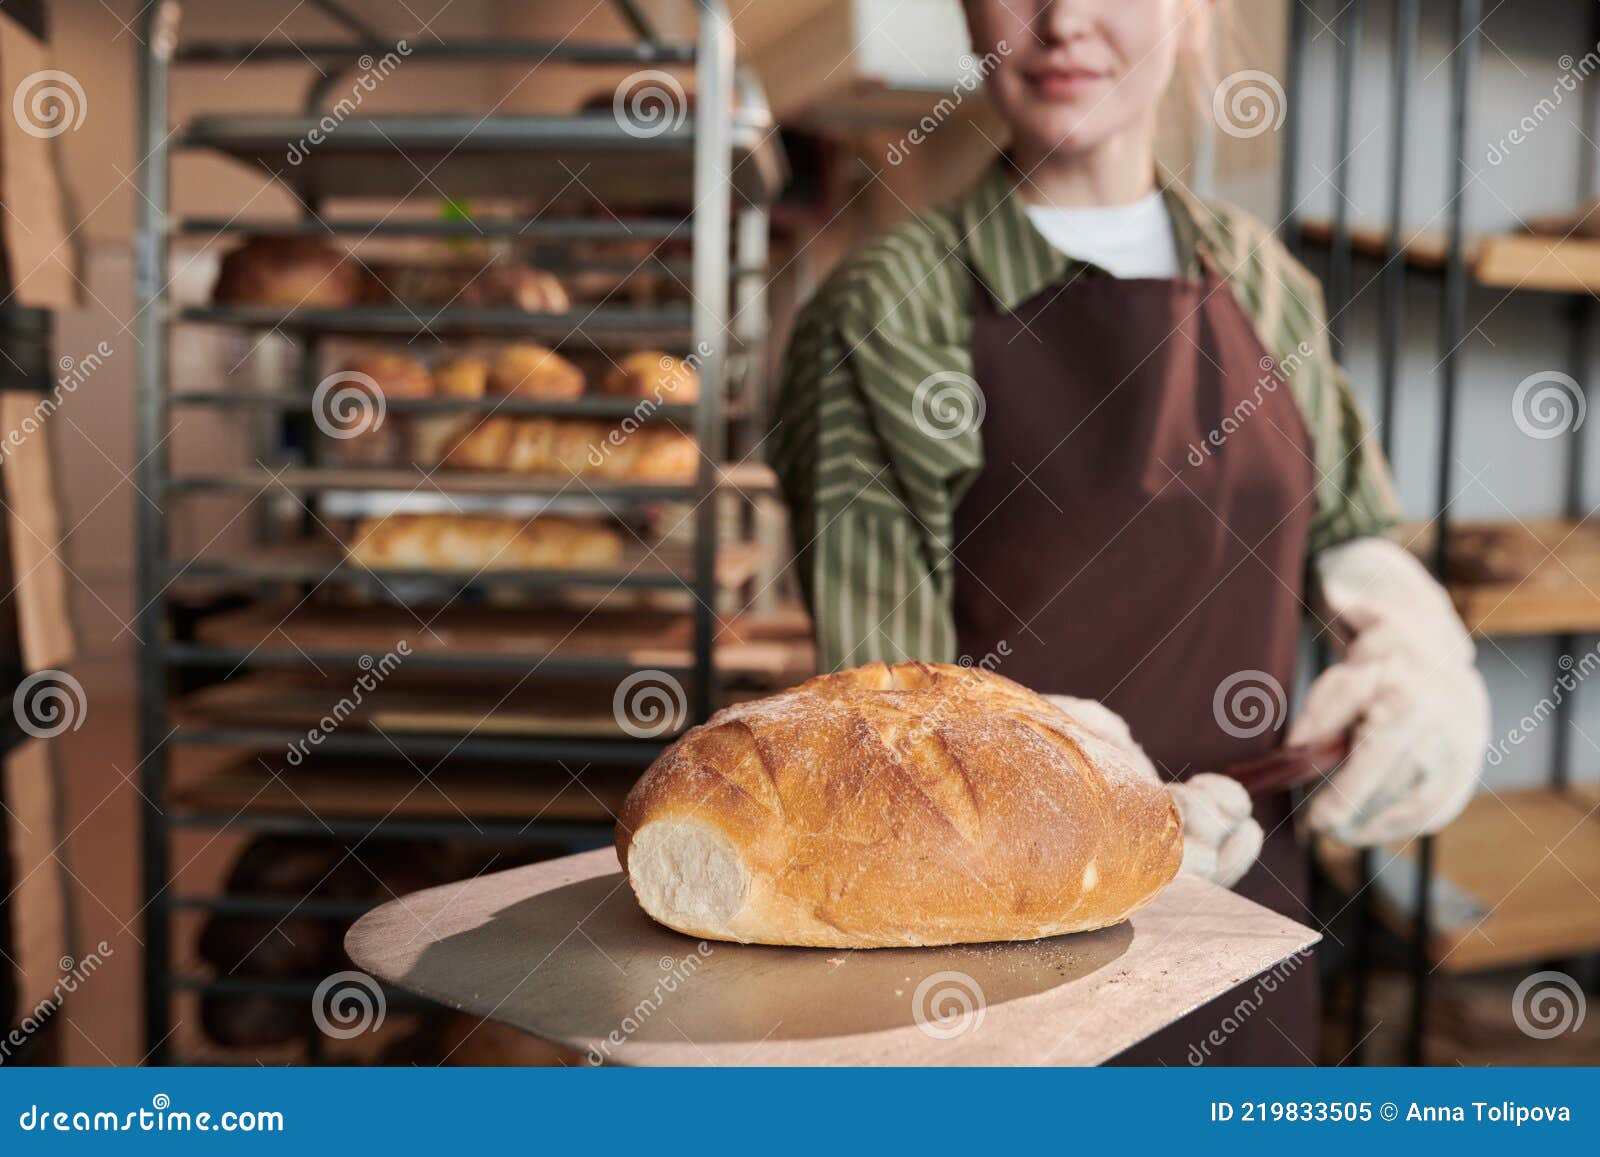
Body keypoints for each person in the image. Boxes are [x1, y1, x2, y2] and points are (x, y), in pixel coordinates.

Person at [769, 0, 1489, 1065]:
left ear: (1194, 17)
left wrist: (1420, 660)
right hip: (1005, 950)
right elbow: (890, 717)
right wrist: (1089, 813)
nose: (1063, 20)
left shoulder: (1267, 282)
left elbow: (1353, 537)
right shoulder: (885, 308)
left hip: (1253, 918)